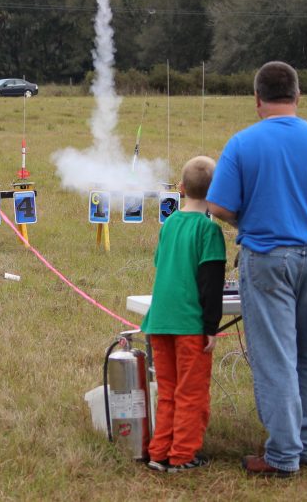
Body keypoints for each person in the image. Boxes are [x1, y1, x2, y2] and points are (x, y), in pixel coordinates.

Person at [206, 61, 307, 478]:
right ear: (297, 96)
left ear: (257, 99)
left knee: (275, 357)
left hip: (268, 259)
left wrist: (248, 220)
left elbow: (218, 206)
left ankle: (283, 454)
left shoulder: (242, 144)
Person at [140, 155, 227, 473]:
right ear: (215, 191)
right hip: (190, 327)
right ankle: (182, 456)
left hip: (159, 322)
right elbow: (211, 284)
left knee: (168, 391)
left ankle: (159, 452)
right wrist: (211, 327)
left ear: (180, 188)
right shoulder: (209, 231)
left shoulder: (169, 225)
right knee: (191, 393)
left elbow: (160, 264)